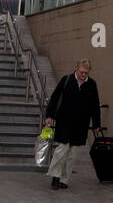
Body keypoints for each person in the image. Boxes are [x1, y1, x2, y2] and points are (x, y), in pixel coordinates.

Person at [42, 58, 102, 190]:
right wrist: (49, 115)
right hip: (64, 120)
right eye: (81, 72)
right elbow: (55, 98)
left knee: (72, 153)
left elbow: (95, 106)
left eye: (86, 73)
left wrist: (96, 123)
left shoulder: (92, 84)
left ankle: (64, 179)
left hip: (81, 124)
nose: (83, 75)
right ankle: (55, 176)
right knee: (62, 149)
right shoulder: (67, 80)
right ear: (76, 68)